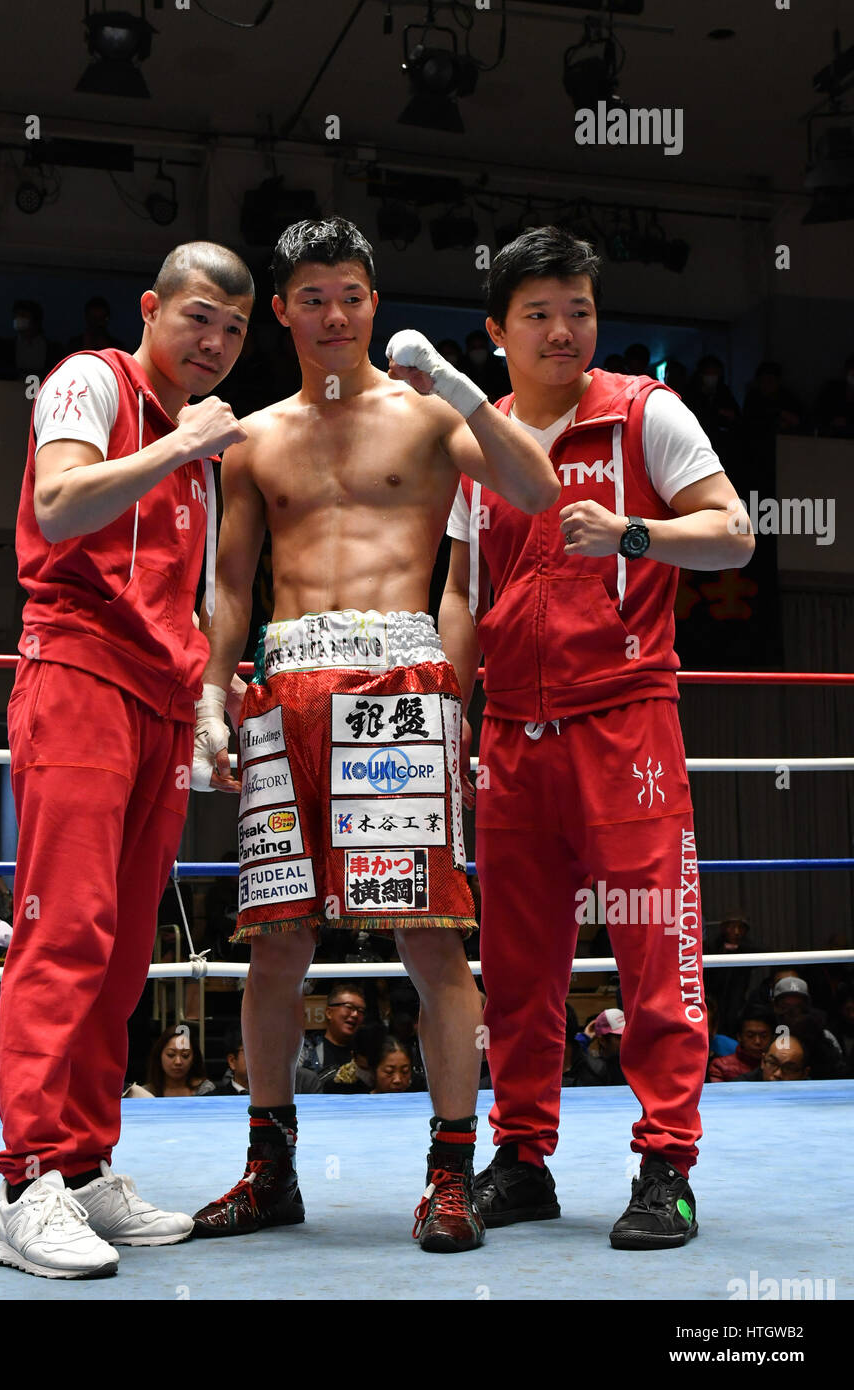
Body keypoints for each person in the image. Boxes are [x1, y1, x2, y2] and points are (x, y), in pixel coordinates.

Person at [190, 216, 559, 1254]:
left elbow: (535, 488)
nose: (333, 315)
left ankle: (449, 1177)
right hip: (287, 680)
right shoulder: (253, 435)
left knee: (431, 939)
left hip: (402, 681)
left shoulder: (430, 416)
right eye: (311, 297)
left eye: (350, 293)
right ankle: (269, 1172)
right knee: (275, 944)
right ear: (281, 311)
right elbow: (227, 582)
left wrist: (458, 383)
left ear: (374, 301)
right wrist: (210, 695)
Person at [439, 225, 755, 1252]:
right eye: (537, 313)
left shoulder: (644, 413)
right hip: (511, 738)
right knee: (515, 963)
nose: (562, 329)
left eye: (577, 309)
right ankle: (522, 1159)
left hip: (626, 723)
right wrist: (451, 710)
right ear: (496, 332)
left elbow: (732, 531)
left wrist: (631, 532)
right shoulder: (475, 439)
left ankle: (665, 1164)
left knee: (652, 946)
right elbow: (458, 589)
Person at [0, 240, 255, 1280]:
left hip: (153, 704)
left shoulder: (202, 457)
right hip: (76, 678)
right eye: (197, 317)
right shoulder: (91, 379)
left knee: (123, 947)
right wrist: (178, 444)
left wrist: (206, 713)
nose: (215, 343)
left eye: (233, 330)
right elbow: (59, 507)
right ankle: (21, 1185)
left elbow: (177, 607)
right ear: (152, 308)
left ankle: (83, 1161)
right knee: (66, 928)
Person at [299, 981, 368, 1083]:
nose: (355, 1014)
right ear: (329, 1012)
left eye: (360, 1010)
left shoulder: (367, 1052)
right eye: (349, 1007)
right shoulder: (306, 1049)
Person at [144, 1025, 215, 1096]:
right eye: (171, 1055)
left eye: (185, 1055)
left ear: (194, 1058)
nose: (178, 1062)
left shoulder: (205, 1090)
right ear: (159, 1056)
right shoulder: (145, 1094)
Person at [707, 1005, 773, 1082]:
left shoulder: (780, 1066)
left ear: (772, 1037)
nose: (757, 1041)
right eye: (750, 1036)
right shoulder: (720, 1066)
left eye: (764, 1036)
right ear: (739, 1037)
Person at [11, 299, 61, 380]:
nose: (18, 319)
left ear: (35, 319)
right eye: (16, 316)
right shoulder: (6, 347)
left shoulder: (53, 348)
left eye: (23, 315)